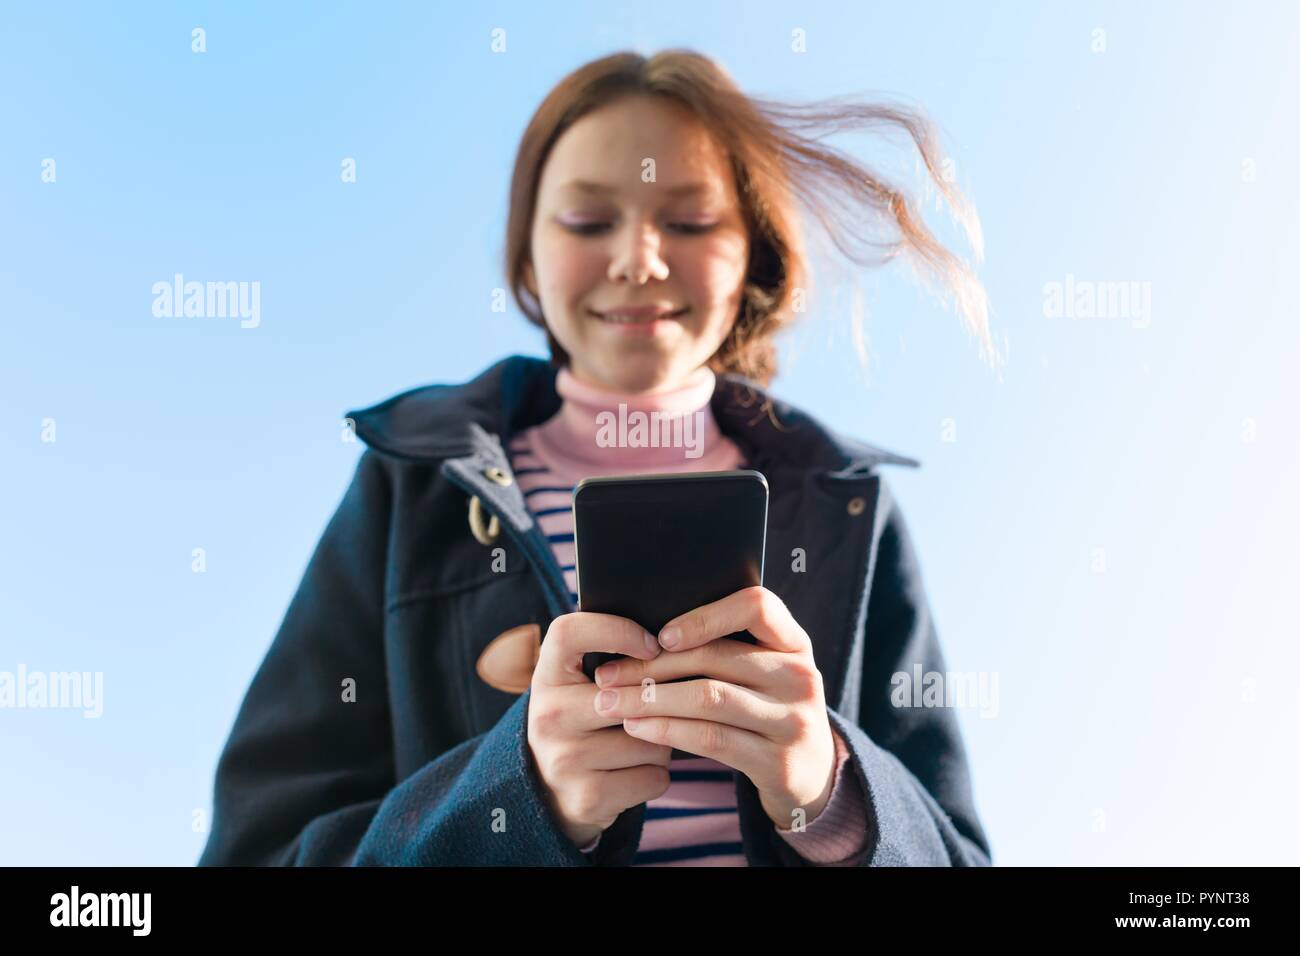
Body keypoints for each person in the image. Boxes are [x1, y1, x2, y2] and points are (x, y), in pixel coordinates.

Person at [198, 49, 994, 867]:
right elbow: (255, 851)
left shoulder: (849, 503)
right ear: (526, 257)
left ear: (752, 251)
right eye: (587, 222)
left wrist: (833, 796)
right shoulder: (413, 485)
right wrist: (518, 796)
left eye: (689, 222)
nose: (638, 260)